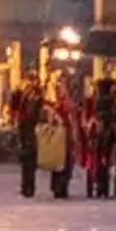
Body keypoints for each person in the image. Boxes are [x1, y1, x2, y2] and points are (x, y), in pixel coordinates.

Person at [9, 70, 44, 198]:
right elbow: (14, 107)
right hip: (24, 129)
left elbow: (41, 110)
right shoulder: (21, 93)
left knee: (31, 159)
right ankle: (26, 185)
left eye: (33, 80)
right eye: (29, 80)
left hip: (34, 129)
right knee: (25, 159)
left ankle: (30, 186)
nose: (31, 83)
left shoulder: (38, 94)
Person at [44, 70, 76, 199]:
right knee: (58, 160)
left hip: (66, 133)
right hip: (57, 133)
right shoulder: (51, 100)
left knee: (66, 160)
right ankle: (58, 186)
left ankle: (63, 185)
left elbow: (72, 113)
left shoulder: (68, 99)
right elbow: (48, 112)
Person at [90, 77, 116, 199]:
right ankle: (104, 188)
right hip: (109, 133)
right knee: (105, 160)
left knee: (99, 160)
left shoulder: (98, 101)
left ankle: (100, 187)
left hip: (100, 134)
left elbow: (96, 116)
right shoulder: (112, 102)